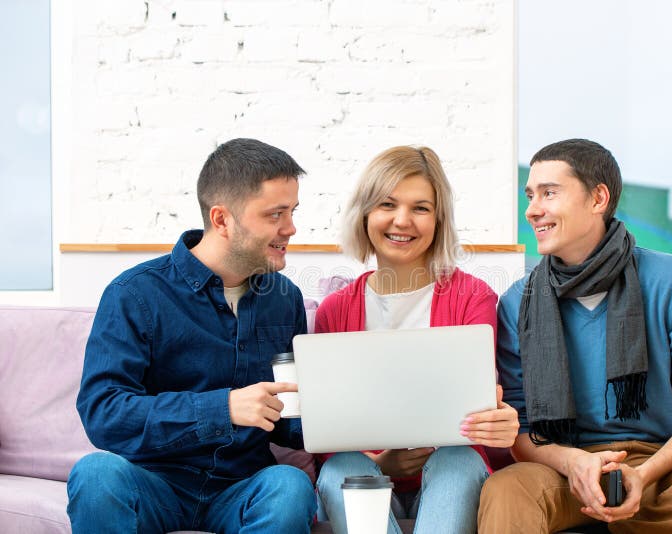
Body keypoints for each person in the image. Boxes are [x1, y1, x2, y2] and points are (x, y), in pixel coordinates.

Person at [478, 139, 672, 534]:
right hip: (567, 472)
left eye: (549, 193)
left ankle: (631, 518)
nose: (532, 209)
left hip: (663, 468)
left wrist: (643, 475)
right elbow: (523, 430)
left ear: (598, 198)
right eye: (530, 195)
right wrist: (574, 463)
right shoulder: (518, 303)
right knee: (506, 488)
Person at [67, 139, 317, 533]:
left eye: (292, 212)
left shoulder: (284, 298)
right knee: (96, 474)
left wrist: (346, 418)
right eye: (275, 214)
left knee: (289, 485)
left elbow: (288, 419)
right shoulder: (135, 294)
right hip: (153, 482)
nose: (290, 228)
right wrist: (223, 408)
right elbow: (104, 413)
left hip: (243, 486)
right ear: (222, 219)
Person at [314, 145, 520, 534]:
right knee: (341, 467)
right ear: (365, 213)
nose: (402, 220)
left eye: (420, 208)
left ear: (439, 220)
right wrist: (380, 461)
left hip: (451, 474)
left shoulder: (472, 298)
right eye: (387, 204)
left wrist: (502, 423)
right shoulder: (334, 311)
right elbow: (327, 432)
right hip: (368, 476)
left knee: (458, 460)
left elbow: (482, 406)